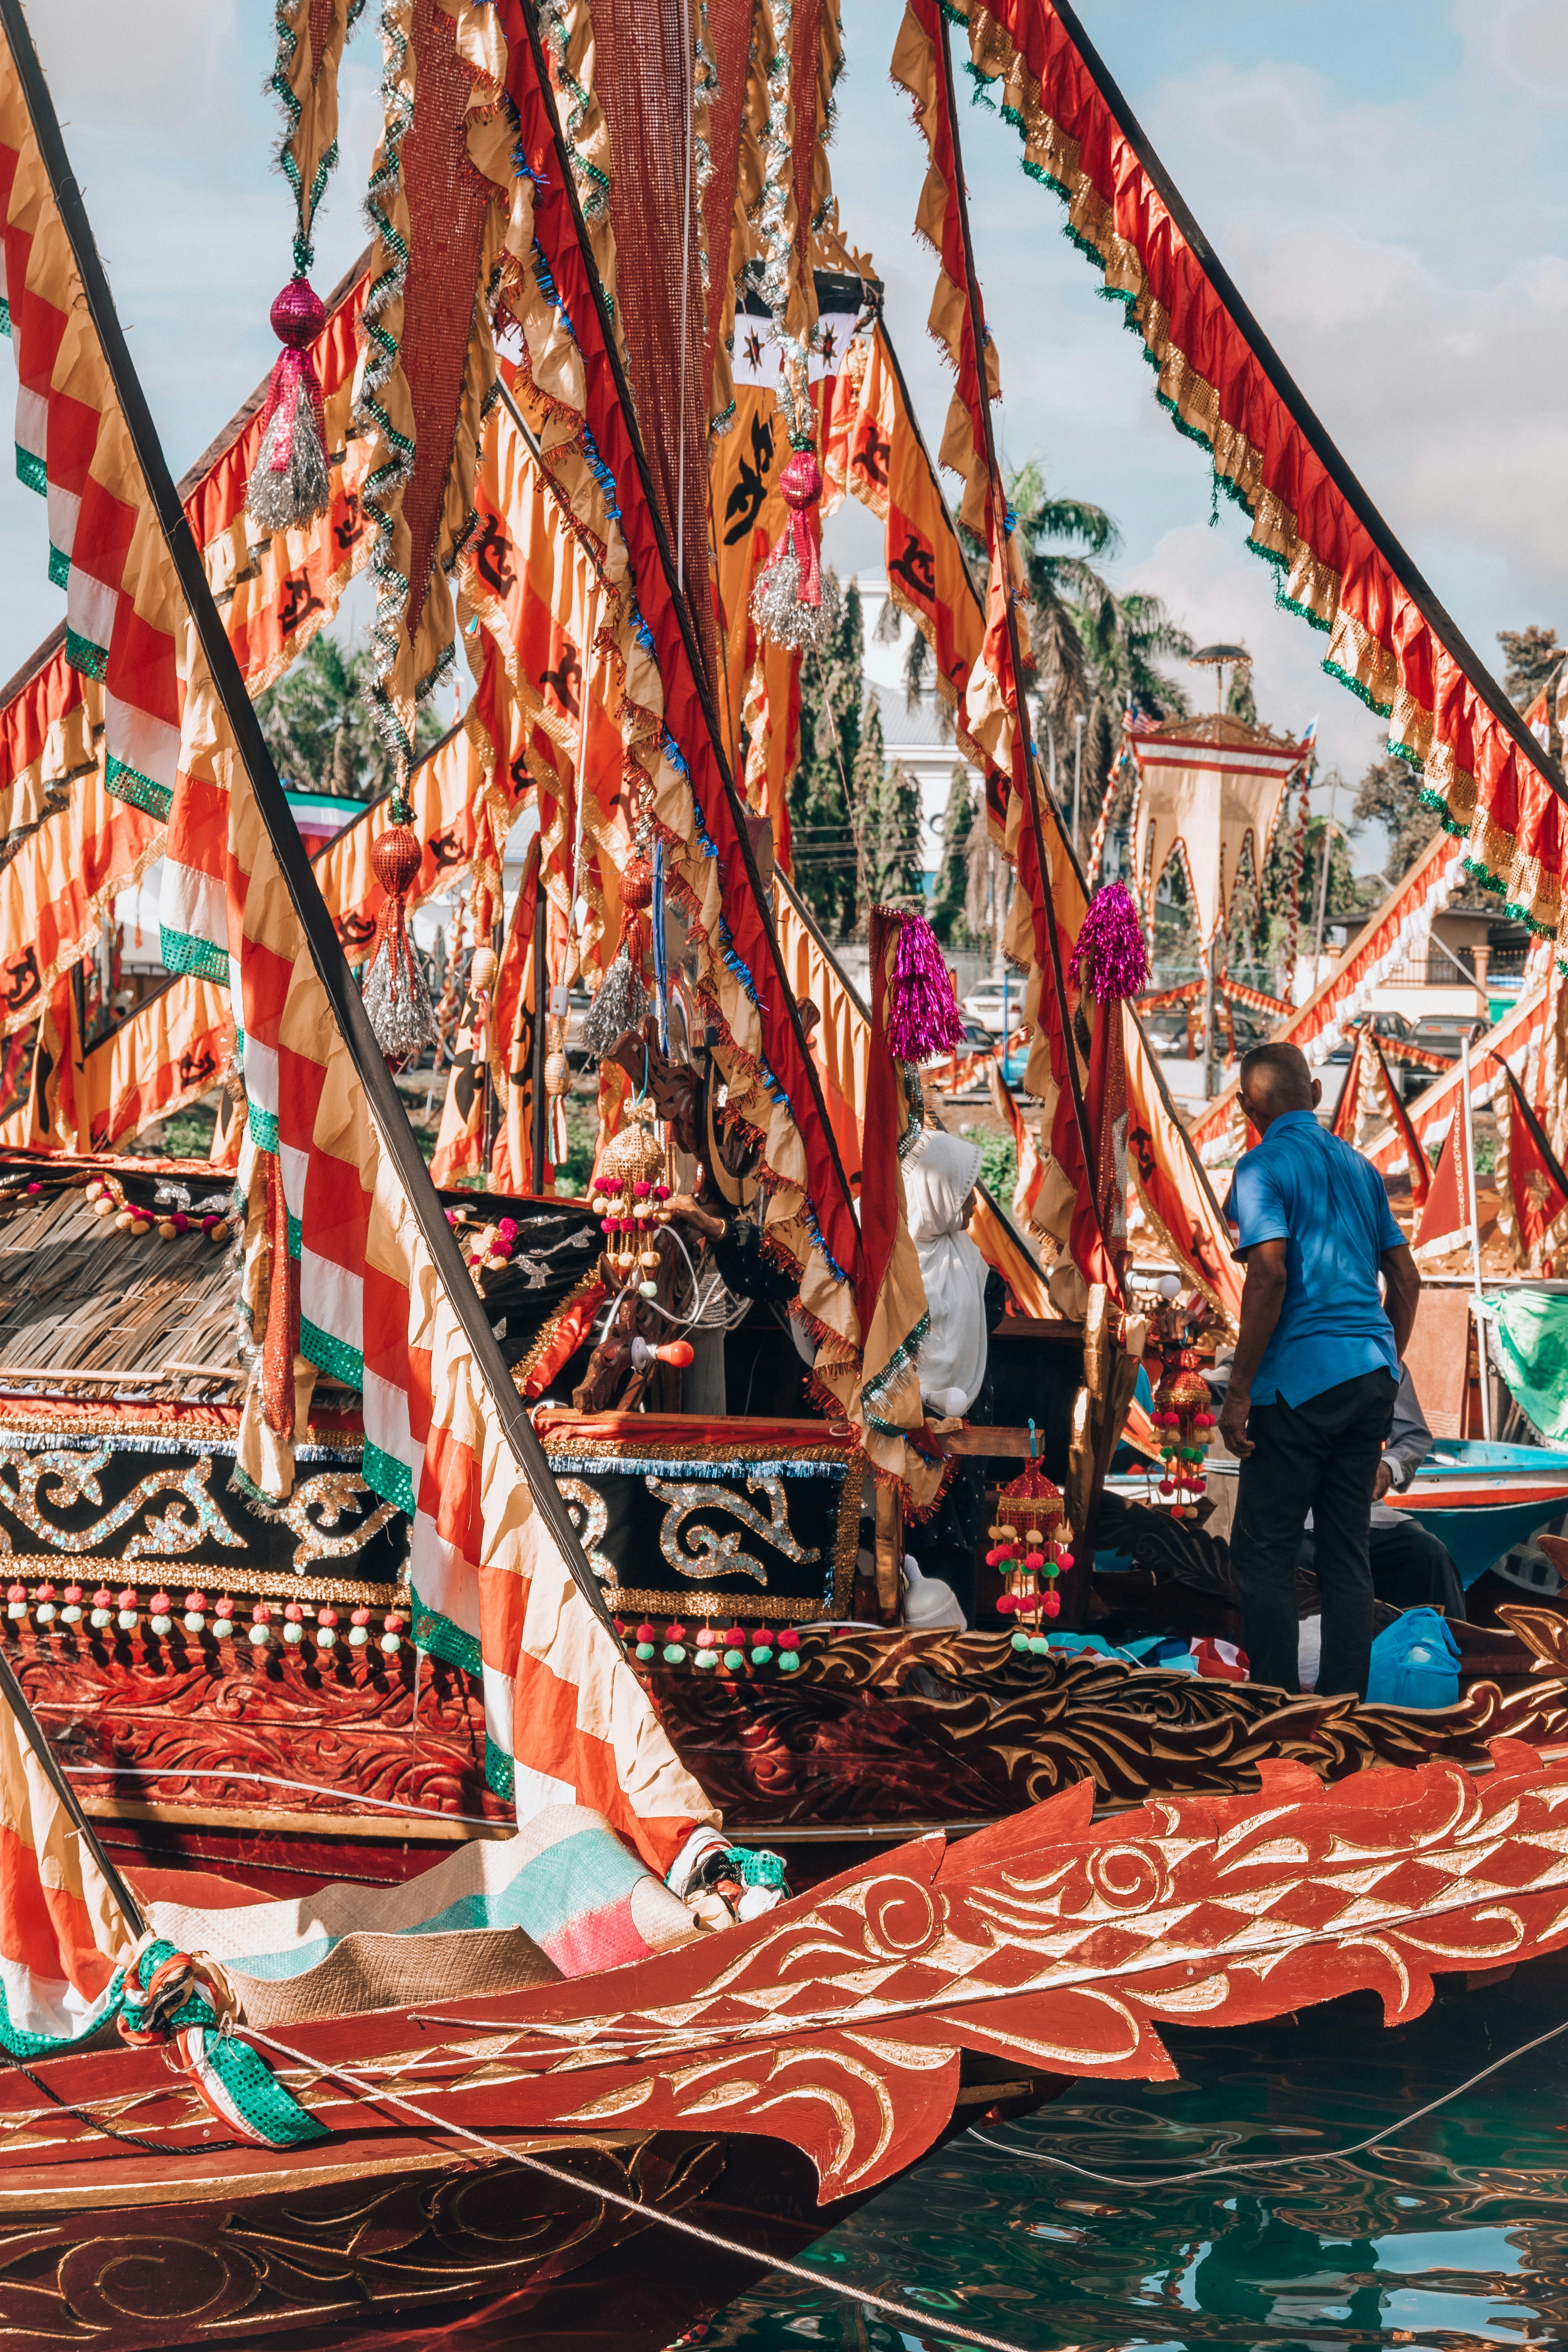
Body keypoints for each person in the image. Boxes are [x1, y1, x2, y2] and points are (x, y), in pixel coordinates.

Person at [1220, 1041, 1422, 1698]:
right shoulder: (1361, 1167)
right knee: (1346, 1552)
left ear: (1247, 1106)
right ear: (1313, 1092)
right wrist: (1388, 1365)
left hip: (1300, 1385)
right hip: (1371, 1375)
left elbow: (1269, 1274)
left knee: (1264, 1551)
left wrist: (1238, 1393)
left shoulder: (1260, 1167)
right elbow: (1406, 1280)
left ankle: (1277, 1710)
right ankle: (1344, 1712)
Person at [901, 1130, 1006, 1624]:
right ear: (935, 1195)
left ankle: (954, 1650)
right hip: (903, 1432)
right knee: (902, 1550)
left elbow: (993, 1308)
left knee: (951, 1550)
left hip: (961, 1441)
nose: (972, 1207)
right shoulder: (890, 1257)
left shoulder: (965, 1254)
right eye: (964, 1194)